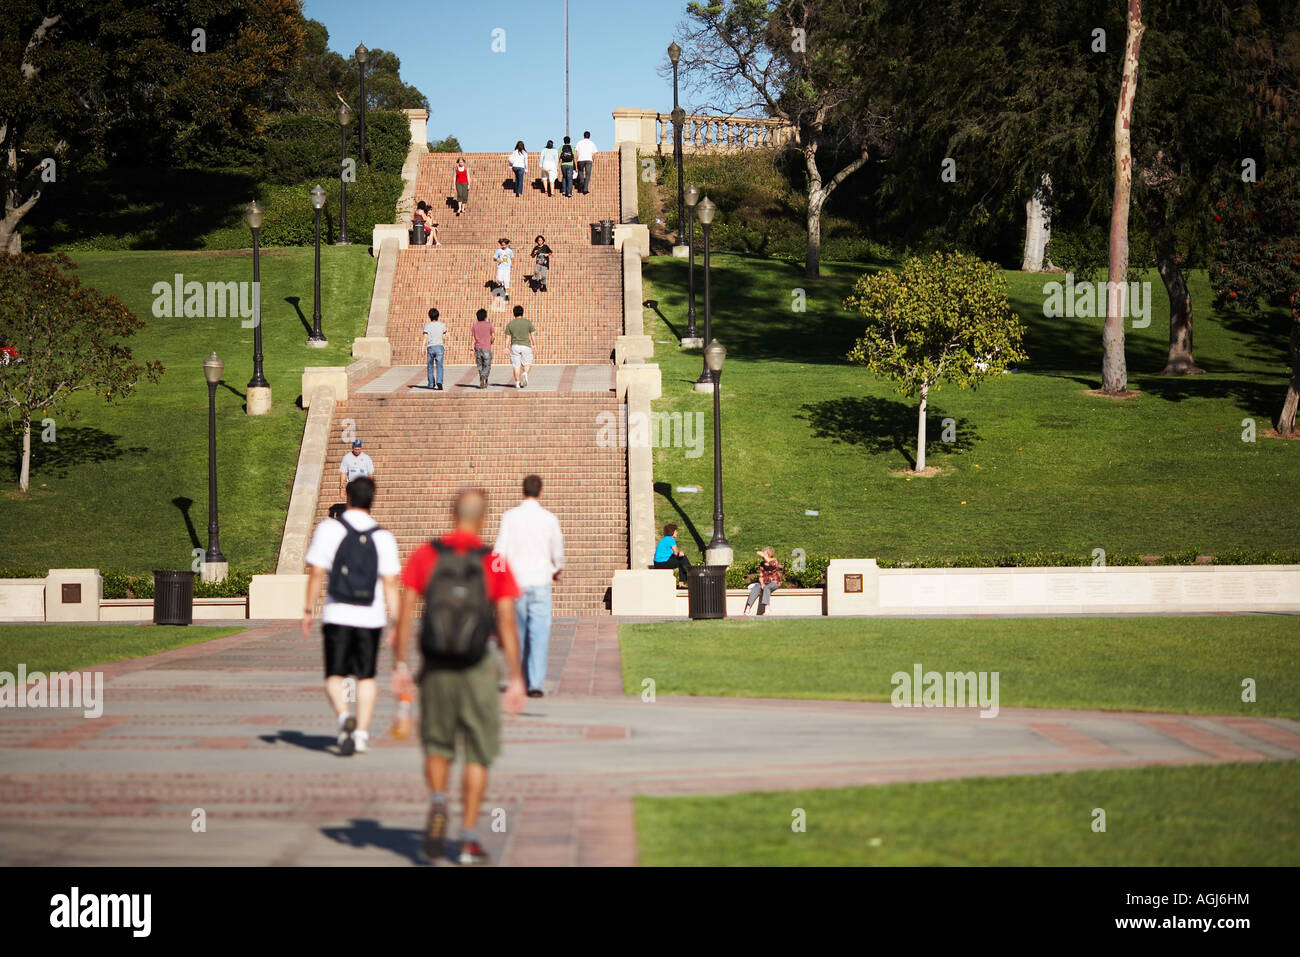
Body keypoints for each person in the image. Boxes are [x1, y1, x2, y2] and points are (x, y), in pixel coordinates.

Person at [391, 488, 525, 866]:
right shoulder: (494, 562)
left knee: (437, 744)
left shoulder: (426, 554)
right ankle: (466, 840)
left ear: (452, 514)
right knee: (477, 752)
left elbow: (404, 613)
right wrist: (515, 677)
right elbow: (506, 622)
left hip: (436, 668)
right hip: (478, 665)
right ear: (484, 519)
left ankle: (437, 802)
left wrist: (400, 665)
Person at [301, 476, 401, 756]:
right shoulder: (383, 537)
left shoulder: (329, 529)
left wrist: (308, 609)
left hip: (337, 613)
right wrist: (396, 621)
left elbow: (317, 573)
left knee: (335, 674)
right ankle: (361, 735)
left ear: (347, 498)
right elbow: (391, 583)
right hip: (371, 616)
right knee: (366, 677)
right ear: (373, 500)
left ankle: (344, 717)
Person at [493, 475, 564, 698]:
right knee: (540, 633)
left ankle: (521, 679)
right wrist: (557, 568)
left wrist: (497, 576)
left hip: (517, 582)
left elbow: (499, 551)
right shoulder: (549, 519)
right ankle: (535, 682)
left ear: (523, 490)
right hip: (541, 580)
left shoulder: (510, 517)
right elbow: (557, 549)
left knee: (519, 633)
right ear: (540, 491)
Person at [744, 547, 784, 615]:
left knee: (767, 587)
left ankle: (767, 609)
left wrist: (765, 557)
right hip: (765, 582)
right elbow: (761, 576)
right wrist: (762, 583)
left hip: (774, 582)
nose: (763, 554)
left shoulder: (775, 560)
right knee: (756, 587)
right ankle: (747, 609)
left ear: (769, 553)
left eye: (765, 553)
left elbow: (772, 564)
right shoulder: (762, 564)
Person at [506, 304, 535, 390]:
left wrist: (506, 347)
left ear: (513, 313)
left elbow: (507, 337)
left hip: (515, 346)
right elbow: (533, 334)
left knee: (516, 365)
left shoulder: (510, 324)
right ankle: (525, 373)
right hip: (526, 345)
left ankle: (517, 383)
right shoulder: (528, 322)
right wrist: (534, 344)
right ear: (522, 313)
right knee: (527, 363)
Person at [423, 307, 448, 390]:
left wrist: (423, 347)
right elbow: (444, 337)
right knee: (439, 365)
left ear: (429, 316)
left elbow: (425, 337)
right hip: (439, 346)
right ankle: (439, 381)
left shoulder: (427, 325)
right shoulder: (442, 325)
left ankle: (431, 383)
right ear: (438, 316)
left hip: (430, 347)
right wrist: (444, 345)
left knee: (430, 366)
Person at [471, 308, 494, 389]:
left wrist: (471, 349)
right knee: (487, 365)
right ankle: (484, 377)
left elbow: (473, 338)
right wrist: (491, 342)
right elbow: (493, 336)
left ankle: (483, 380)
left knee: (480, 366)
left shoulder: (474, 326)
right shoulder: (489, 325)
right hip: (486, 347)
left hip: (477, 348)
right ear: (485, 316)